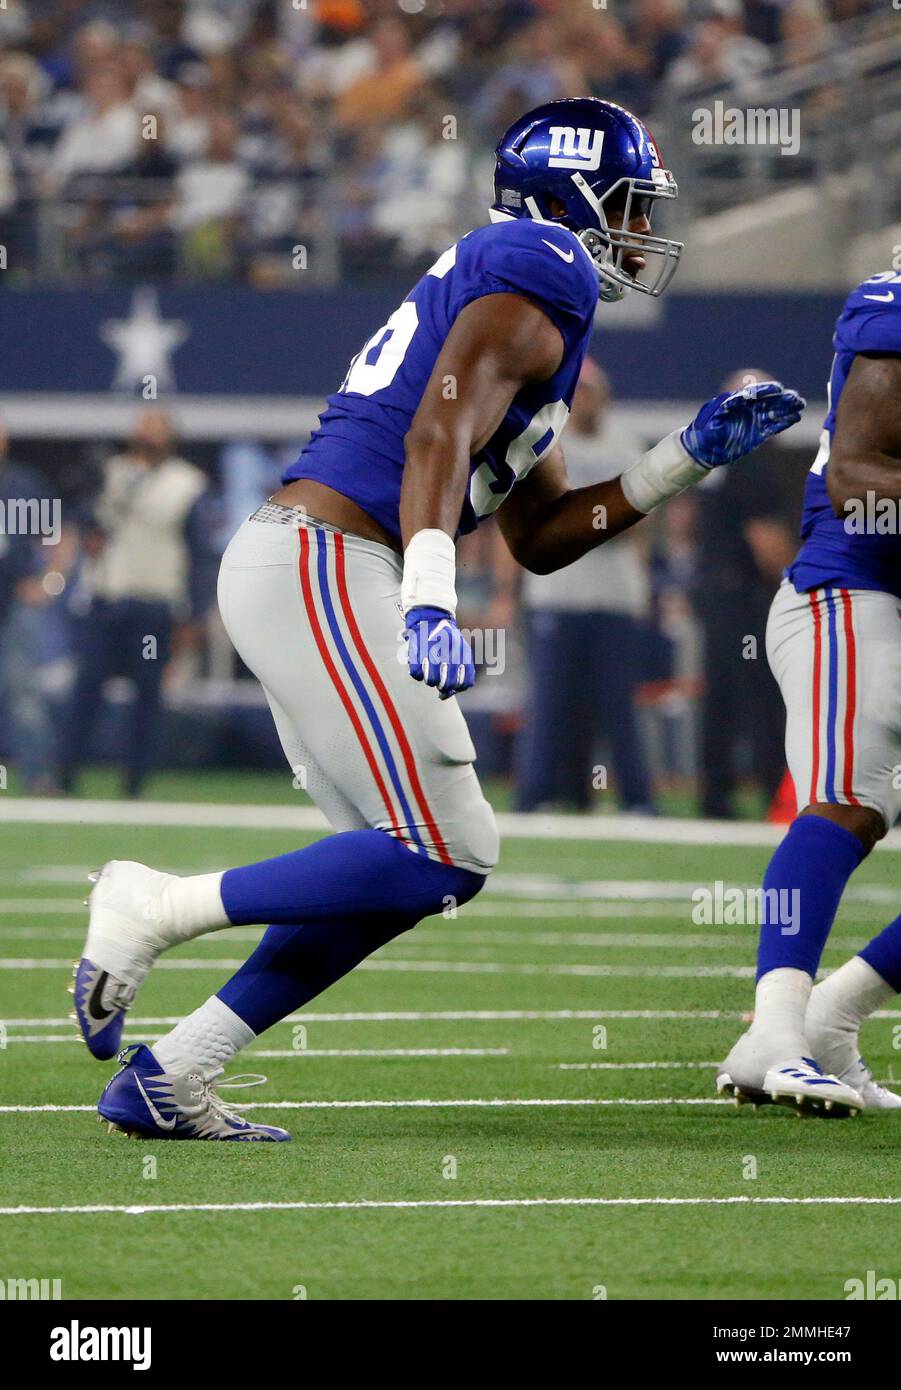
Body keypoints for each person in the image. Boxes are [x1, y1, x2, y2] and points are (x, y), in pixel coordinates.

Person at [71, 97, 803, 1141]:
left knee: (393, 871)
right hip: (329, 557)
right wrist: (427, 594)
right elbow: (433, 437)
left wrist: (681, 455)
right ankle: (155, 905)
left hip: (320, 563)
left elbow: (542, 531)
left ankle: (173, 1073)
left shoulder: (539, 301)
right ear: (574, 197)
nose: (643, 229)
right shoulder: (538, 259)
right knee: (444, 846)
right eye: (632, 203)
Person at [718, 271, 901, 1115]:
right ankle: (776, 1030)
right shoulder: (890, 309)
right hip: (853, 589)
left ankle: (831, 1015)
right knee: (840, 804)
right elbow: (856, 474)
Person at [503, 357, 656, 813]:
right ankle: (532, 798)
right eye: (580, 390)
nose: (586, 398)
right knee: (547, 705)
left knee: (618, 708)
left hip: (615, 598)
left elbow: (640, 523)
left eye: (593, 390)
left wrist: (575, 523)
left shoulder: (626, 445)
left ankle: (638, 801)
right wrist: (503, 592)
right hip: (556, 595)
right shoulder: (545, 443)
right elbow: (522, 520)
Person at [58, 410, 208, 799]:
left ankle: (135, 783)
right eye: (143, 429)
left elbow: (198, 553)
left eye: (156, 430)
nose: (148, 437)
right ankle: (66, 775)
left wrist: (194, 611)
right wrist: (90, 529)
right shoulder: (110, 472)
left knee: (147, 696)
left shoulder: (186, 484)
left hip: (154, 603)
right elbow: (83, 518)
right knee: (86, 689)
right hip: (106, 597)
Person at [692, 367, 796, 819]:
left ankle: (715, 798)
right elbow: (768, 549)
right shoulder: (752, 465)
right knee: (763, 701)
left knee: (720, 702)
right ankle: (775, 793)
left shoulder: (714, 462)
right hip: (748, 600)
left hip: (715, 598)